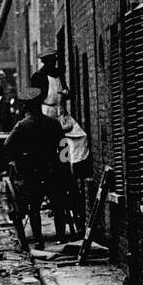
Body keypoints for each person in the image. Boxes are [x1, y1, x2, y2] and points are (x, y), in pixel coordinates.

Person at [3, 86, 64, 247]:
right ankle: (61, 239)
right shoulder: (53, 123)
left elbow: (7, 145)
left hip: (32, 172)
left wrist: (20, 159)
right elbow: (64, 146)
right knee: (58, 206)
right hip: (52, 170)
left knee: (34, 208)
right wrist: (62, 165)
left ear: (25, 107)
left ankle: (39, 241)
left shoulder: (22, 126)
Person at [54, 91, 91, 240]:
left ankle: (77, 226)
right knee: (68, 197)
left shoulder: (65, 121)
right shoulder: (60, 120)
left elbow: (65, 150)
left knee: (68, 197)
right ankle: (73, 227)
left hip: (65, 167)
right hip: (64, 165)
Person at [31, 52, 67, 119]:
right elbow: (34, 99)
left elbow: (65, 89)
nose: (53, 64)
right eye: (50, 61)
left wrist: (66, 92)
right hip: (45, 110)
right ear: (45, 62)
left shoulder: (59, 73)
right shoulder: (38, 76)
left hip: (60, 110)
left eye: (54, 61)